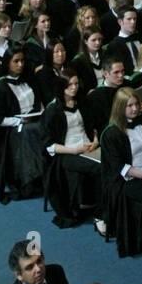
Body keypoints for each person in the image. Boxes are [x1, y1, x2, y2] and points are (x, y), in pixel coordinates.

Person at [99, 87, 142, 257]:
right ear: (120, 107)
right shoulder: (112, 133)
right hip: (129, 180)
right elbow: (118, 166)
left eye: (136, 104)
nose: (135, 109)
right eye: (129, 105)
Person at [43, 70, 102, 227]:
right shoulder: (53, 110)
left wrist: (95, 141)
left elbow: (93, 126)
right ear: (62, 87)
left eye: (76, 84)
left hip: (88, 146)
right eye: (70, 85)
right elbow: (49, 145)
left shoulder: (82, 103)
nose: (74, 88)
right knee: (99, 168)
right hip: (67, 152)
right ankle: (101, 213)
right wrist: (74, 150)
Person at [0, 45, 45, 203]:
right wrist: (19, 120)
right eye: (16, 61)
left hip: (34, 121)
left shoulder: (29, 81)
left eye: (22, 61)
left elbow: (39, 103)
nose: (20, 64)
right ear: (8, 63)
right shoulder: (0, 87)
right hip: (11, 130)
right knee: (31, 131)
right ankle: (30, 179)